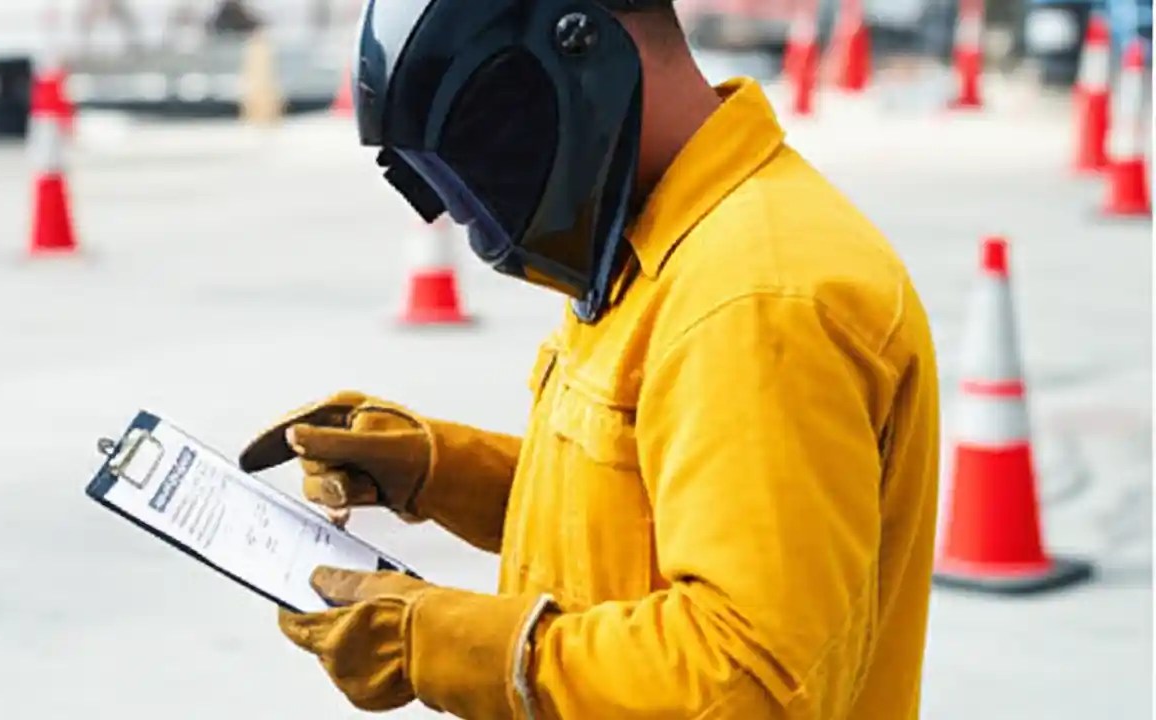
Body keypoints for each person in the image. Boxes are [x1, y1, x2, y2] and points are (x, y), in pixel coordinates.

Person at [238, 0, 940, 717]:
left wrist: (442, 641)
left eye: (474, 160)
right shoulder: (659, 238)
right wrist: (437, 469)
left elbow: (744, 682)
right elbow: (639, 514)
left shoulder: (755, 299)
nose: (464, 211)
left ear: (577, 55)